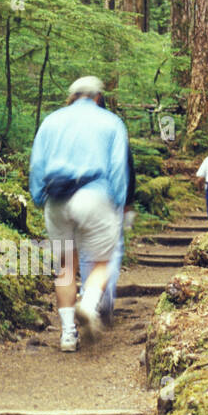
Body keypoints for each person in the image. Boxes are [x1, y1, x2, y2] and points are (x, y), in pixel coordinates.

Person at [29, 75, 129, 351]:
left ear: (71, 97)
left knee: (66, 267)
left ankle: (67, 335)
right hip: (94, 196)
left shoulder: (51, 121)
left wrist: (38, 197)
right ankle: (88, 303)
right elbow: (119, 167)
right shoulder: (111, 122)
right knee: (101, 262)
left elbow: (37, 164)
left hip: (57, 199)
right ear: (97, 97)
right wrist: (118, 203)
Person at [78, 104, 136, 326]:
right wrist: (127, 201)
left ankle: (89, 297)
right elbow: (127, 168)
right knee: (112, 250)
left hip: (82, 201)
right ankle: (105, 302)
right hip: (110, 200)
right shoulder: (114, 131)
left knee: (86, 252)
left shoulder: (79, 136)